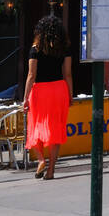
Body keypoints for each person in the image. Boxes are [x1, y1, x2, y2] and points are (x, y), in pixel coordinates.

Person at [23, 14, 73, 180]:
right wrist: (70, 95)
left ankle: (40, 160)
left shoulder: (35, 49)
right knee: (55, 130)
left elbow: (31, 74)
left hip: (40, 91)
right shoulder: (64, 48)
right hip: (59, 89)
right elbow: (67, 74)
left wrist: (25, 98)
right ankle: (51, 171)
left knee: (35, 126)